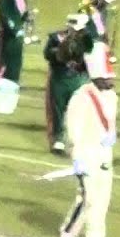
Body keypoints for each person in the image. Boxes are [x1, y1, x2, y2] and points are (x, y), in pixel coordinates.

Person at [58, 41, 118, 237]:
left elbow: (110, 122)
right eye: (109, 76)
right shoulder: (82, 96)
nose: (112, 79)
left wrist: (112, 137)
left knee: (102, 199)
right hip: (86, 152)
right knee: (88, 197)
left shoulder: (111, 96)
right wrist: (77, 156)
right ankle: (68, 233)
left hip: (104, 153)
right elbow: (73, 129)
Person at [44, 12, 93, 154]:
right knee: (57, 110)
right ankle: (58, 139)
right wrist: (58, 52)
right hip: (60, 78)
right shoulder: (56, 37)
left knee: (78, 110)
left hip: (78, 79)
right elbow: (47, 54)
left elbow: (90, 56)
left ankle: (75, 138)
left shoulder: (87, 39)